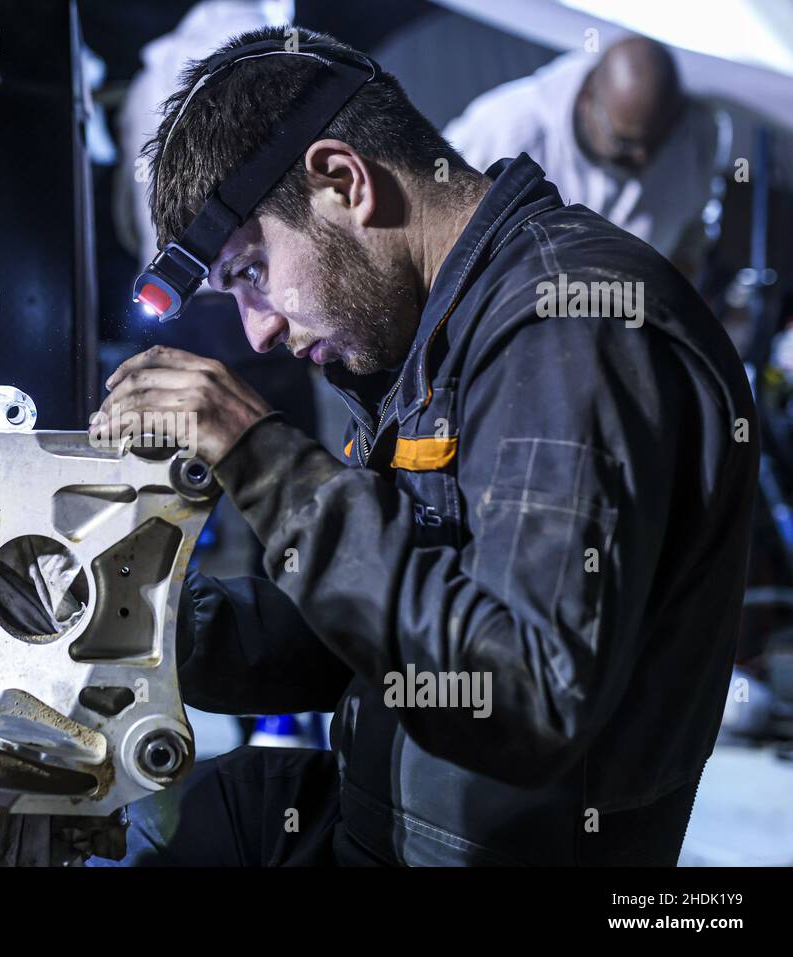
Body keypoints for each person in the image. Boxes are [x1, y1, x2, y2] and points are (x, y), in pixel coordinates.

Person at [88, 26, 757, 866]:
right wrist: (133, 628)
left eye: (252, 270)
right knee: (181, 819)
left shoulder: (570, 325)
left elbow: (520, 690)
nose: (256, 333)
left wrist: (264, 458)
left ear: (343, 180)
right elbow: (385, 629)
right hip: (385, 821)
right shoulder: (444, 338)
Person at [442, 35, 718, 268]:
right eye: (625, 142)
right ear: (587, 100)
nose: (642, 157)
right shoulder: (503, 130)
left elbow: (690, 239)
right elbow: (436, 222)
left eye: (658, 142)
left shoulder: (696, 131)